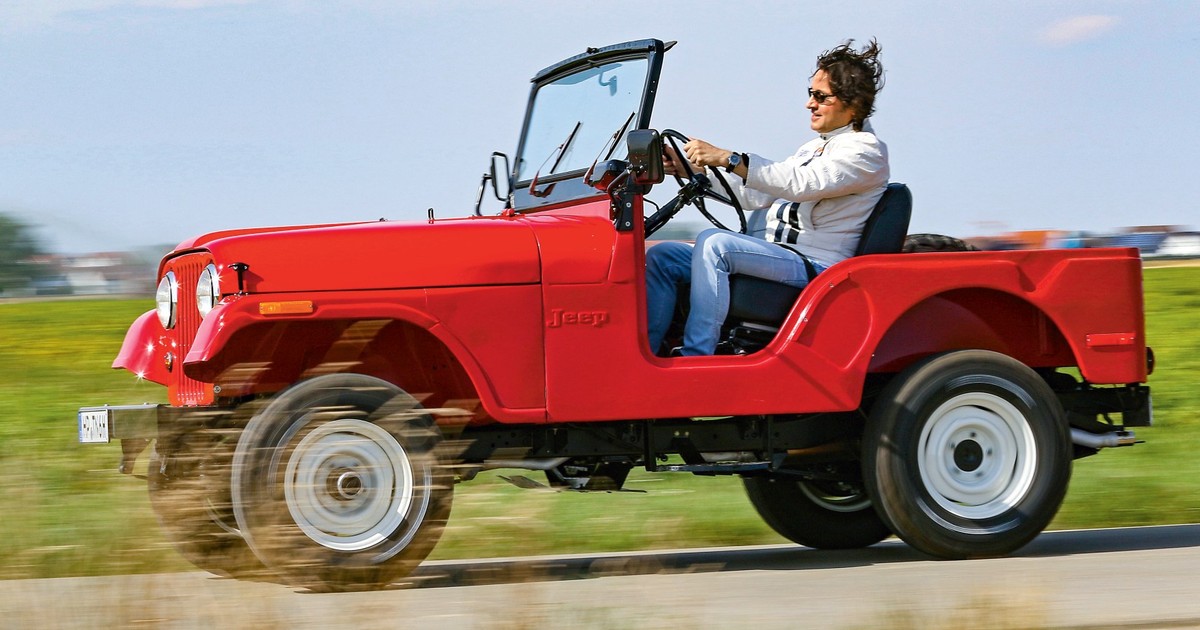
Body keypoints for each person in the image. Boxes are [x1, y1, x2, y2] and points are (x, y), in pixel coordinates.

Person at [646, 39, 890, 356]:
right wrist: (688, 170)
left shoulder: (866, 151)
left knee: (715, 244)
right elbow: (757, 193)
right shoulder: (813, 148)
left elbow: (800, 184)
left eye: (821, 97)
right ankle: (647, 355)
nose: (810, 104)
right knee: (663, 257)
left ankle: (696, 355)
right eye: (810, 94)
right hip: (780, 256)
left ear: (853, 105)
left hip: (817, 266)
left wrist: (729, 158)